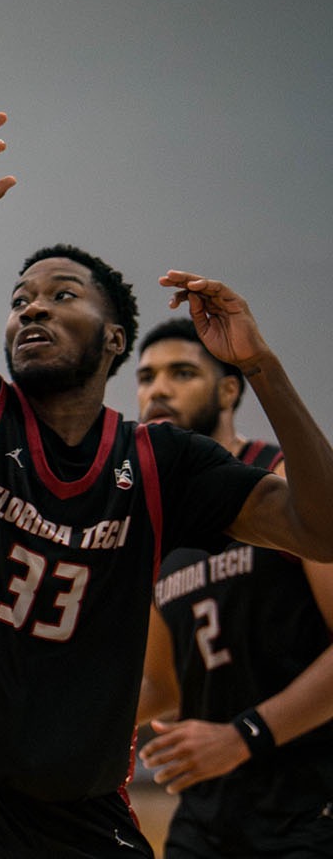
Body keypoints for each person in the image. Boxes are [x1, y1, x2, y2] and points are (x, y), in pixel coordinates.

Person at [0, 94, 333, 857]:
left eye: (61, 295)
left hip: (88, 807)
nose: (32, 311)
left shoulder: (163, 463)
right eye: (20, 301)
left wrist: (262, 367)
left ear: (114, 337)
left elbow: (323, 530)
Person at [134, 318, 333, 856]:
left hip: (311, 805)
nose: (158, 389)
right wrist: (51, 712)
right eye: (146, 376)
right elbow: (161, 687)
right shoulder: (156, 520)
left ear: (228, 390)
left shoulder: (286, 482)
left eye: (181, 373)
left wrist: (243, 736)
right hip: (209, 814)